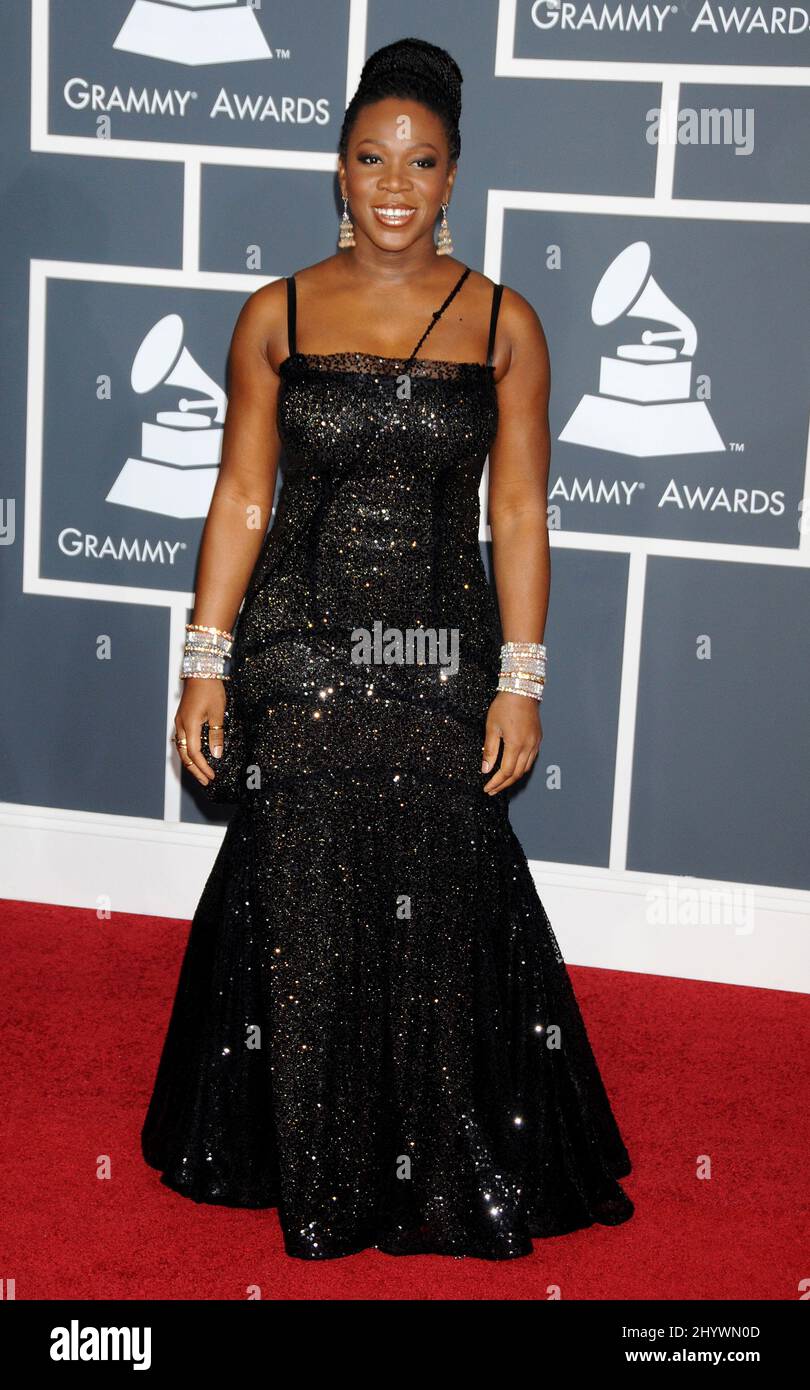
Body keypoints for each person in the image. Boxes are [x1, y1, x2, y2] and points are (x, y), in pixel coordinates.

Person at [141, 37, 634, 1260]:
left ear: (456, 175)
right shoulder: (279, 312)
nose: (396, 182)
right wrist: (208, 657)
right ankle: (308, 1150)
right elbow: (244, 494)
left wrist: (520, 677)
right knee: (301, 841)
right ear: (339, 170)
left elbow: (518, 511)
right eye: (372, 158)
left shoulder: (504, 323)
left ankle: (435, 1140)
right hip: (299, 639)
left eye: (422, 160)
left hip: (435, 642)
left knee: (436, 845)